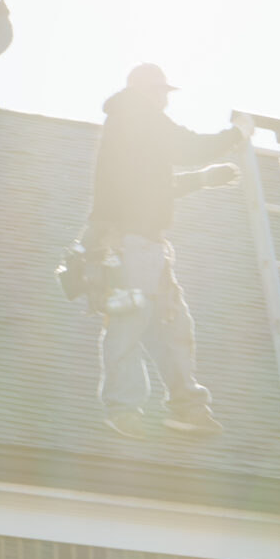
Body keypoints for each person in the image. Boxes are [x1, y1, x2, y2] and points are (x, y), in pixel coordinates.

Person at [84, 63, 243, 439]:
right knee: (130, 321)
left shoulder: (133, 124)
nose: (164, 100)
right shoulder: (136, 116)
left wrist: (203, 179)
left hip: (146, 245)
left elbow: (153, 187)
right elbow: (187, 146)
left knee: (172, 323)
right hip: (130, 242)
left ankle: (186, 407)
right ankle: (124, 409)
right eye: (160, 92)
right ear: (144, 91)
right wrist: (237, 135)